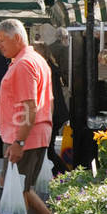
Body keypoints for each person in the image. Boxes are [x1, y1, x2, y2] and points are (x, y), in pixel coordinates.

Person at [0, 19, 60, 214]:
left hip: (24, 137)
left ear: (17, 38)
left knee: (18, 187)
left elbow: (29, 107)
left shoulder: (23, 64)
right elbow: (44, 103)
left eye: (2, 41)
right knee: (20, 187)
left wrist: (18, 142)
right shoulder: (37, 60)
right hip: (33, 134)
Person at [33, 43, 70, 177]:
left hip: (53, 114)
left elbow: (50, 96)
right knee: (48, 149)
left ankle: (63, 174)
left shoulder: (46, 69)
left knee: (48, 150)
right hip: (55, 114)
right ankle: (62, 174)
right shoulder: (51, 68)